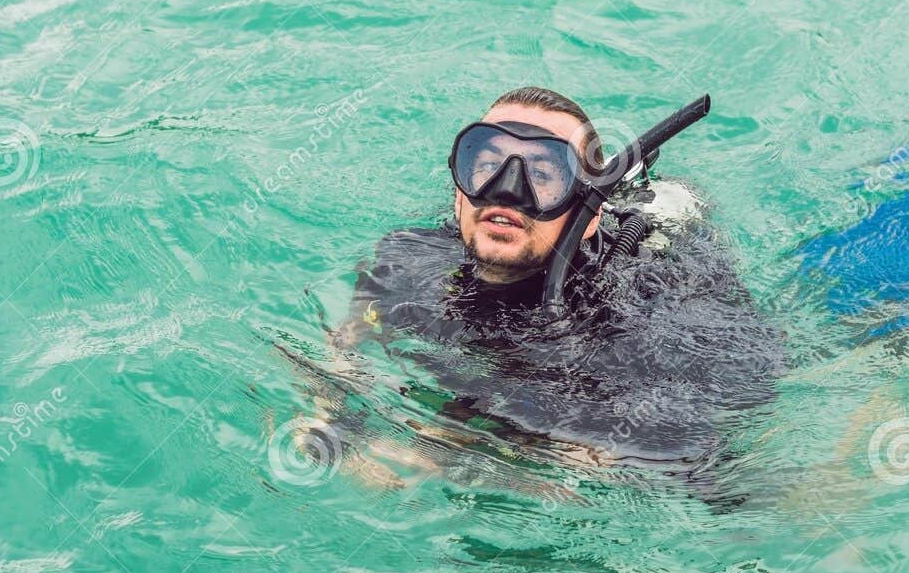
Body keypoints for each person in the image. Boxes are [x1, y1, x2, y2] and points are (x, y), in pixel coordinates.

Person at [331, 86, 785, 478]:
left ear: (588, 215)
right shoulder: (407, 257)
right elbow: (342, 351)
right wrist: (327, 419)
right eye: (487, 165)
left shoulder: (638, 312)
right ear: (457, 191)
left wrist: (446, 454)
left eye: (544, 176)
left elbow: (685, 455)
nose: (506, 191)